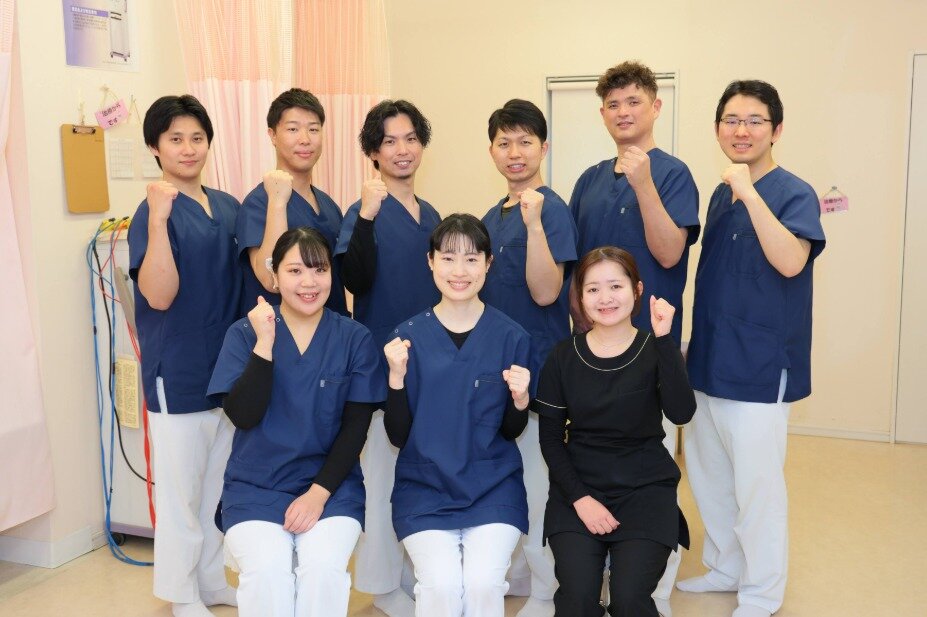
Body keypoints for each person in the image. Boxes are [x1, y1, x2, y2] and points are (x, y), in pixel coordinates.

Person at [677, 80, 826, 617]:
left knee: (758, 488)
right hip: (710, 360)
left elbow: (791, 260)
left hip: (761, 367)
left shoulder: (793, 193)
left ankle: (762, 592)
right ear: (718, 128)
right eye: (731, 120)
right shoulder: (721, 194)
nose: (741, 130)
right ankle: (725, 567)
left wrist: (751, 193)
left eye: (755, 120)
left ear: (776, 129)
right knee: (710, 478)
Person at [568, 61, 700, 613]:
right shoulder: (589, 180)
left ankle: (652, 587)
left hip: (651, 344)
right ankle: (599, 570)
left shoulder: (673, 174)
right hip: (595, 352)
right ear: (602, 113)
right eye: (613, 104)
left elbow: (669, 253)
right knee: (594, 454)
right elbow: (577, 270)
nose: (623, 112)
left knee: (653, 461)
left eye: (634, 102)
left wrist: (643, 183)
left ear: (656, 107)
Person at [207, 227, 385, 617]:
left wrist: (317, 494)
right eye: (295, 271)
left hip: (331, 487)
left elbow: (355, 428)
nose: (309, 282)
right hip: (256, 486)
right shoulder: (245, 334)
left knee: (323, 570)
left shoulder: (353, 338)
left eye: (319, 270)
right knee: (267, 574)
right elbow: (243, 415)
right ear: (273, 275)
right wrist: (265, 344)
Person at [383, 213, 532, 617]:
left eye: (471, 259)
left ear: (488, 263)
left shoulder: (511, 337)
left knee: (483, 584)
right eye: (448, 258)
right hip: (425, 488)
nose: (459, 271)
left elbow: (510, 430)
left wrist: (520, 400)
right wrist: (396, 379)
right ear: (430, 261)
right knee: (441, 587)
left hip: (492, 487)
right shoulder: (405, 340)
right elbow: (397, 436)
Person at [535, 247, 696, 617]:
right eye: (592, 289)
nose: (605, 298)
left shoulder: (654, 348)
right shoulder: (562, 356)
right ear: (580, 297)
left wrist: (664, 339)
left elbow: (681, 413)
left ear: (637, 290)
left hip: (645, 490)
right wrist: (581, 499)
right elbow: (550, 440)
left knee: (628, 600)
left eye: (615, 286)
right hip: (579, 490)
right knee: (577, 600)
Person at [128, 94, 240, 617]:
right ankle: (181, 593)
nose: (188, 148)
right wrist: (157, 220)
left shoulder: (227, 206)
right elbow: (158, 295)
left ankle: (212, 580)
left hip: (227, 372)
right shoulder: (152, 213)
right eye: (175, 139)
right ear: (155, 147)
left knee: (217, 488)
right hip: (178, 370)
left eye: (197, 137)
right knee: (181, 496)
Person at [336, 99, 442, 617]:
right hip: (382, 368)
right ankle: (380, 585)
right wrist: (366, 216)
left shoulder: (433, 216)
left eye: (411, 139)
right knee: (381, 478)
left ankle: (412, 574)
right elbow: (354, 280)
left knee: (419, 476)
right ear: (373, 153)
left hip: (430, 365)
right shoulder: (363, 213)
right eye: (390, 141)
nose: (402, 150)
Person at [481, 99, 578, 617]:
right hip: (496, 370)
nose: (514, 152)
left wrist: (535, 224)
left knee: (540, 484)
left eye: (525, 141)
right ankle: (518, 573)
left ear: (544, 147)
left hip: (539, 369)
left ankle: (546, 589)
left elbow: (546, 292)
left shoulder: (551, 209)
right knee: (506, 475)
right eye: (504, 142)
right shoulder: (491, 216)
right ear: (492, 151)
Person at [236, 88, 349, 316]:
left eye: (313, 129)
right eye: (293, 129)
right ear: (273, 135)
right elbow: (270, 279)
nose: (305, 139)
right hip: (280, 330)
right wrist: (277, 203)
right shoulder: (259, 203)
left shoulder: (329, 205)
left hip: (330, 328)